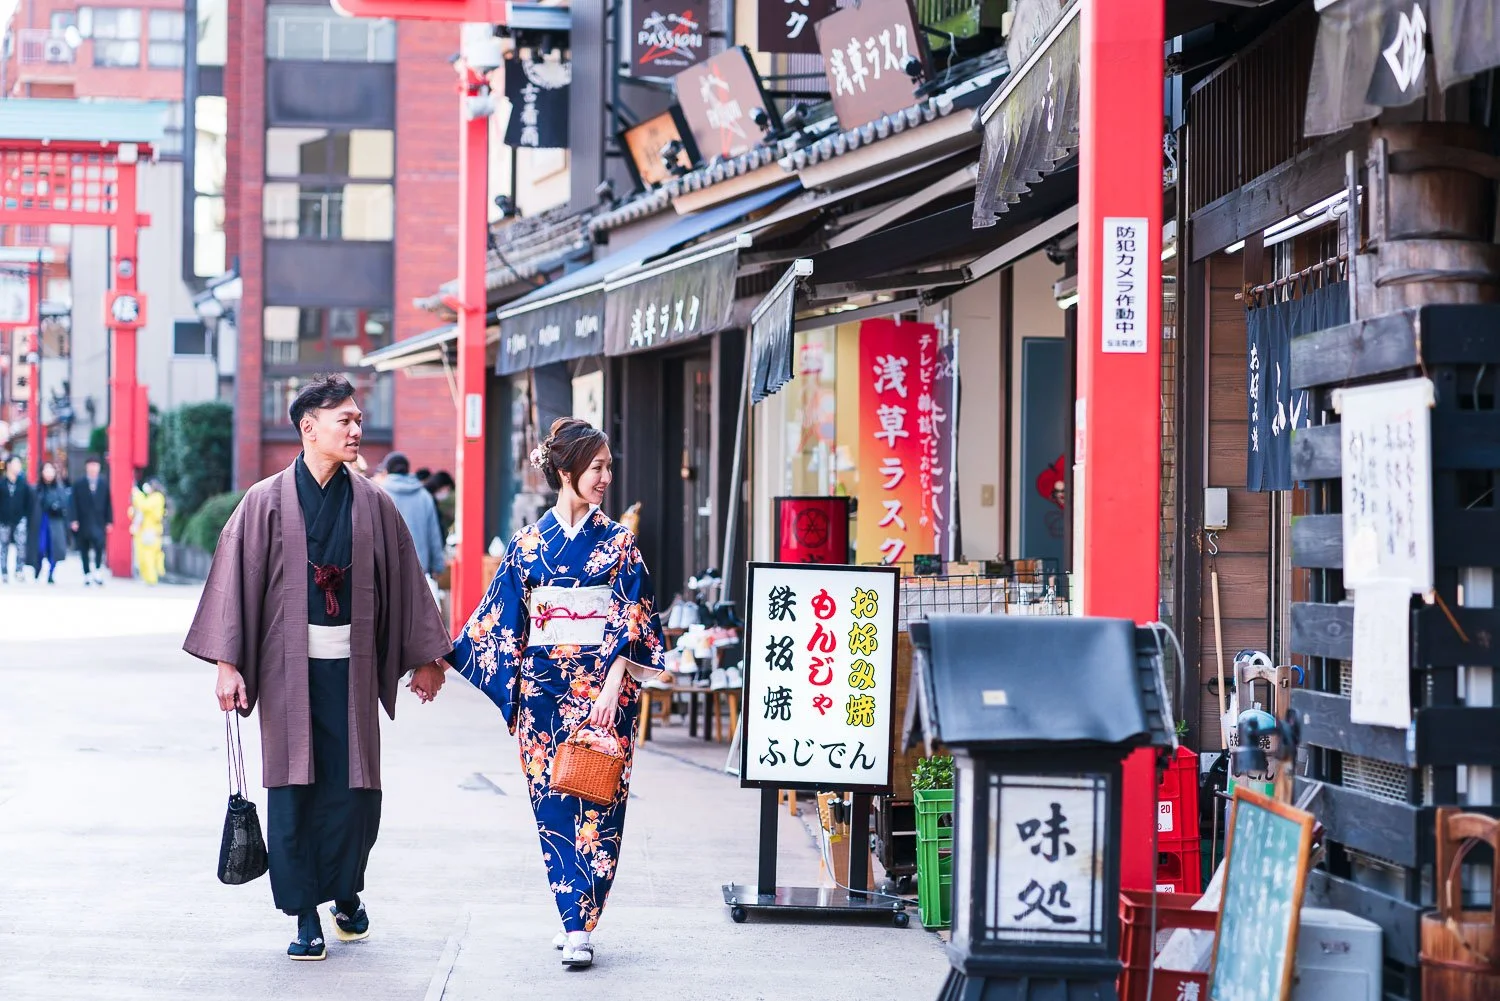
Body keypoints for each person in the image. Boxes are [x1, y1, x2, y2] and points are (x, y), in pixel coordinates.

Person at [182, 374, 452, 962]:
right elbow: (235, 583)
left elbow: (406, 581)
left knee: (356, 796)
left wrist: (427, 657)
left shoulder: (375, 502)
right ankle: (305, 913)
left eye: (358, 419)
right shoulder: (264, 501)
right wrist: (227, 664)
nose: (357, 430)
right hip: (287, 674)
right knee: (294, 792)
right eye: (344, 420)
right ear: (309, 427)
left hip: (352, 672)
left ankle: (346, 893)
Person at [441, 417, 666, 969]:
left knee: (601, 802)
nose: (606, 477)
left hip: (604, 694)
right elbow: (496, 623)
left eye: (609, 467)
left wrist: (612, 686)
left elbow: (632, 618)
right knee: (554, 806)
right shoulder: (527, 545)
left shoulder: (619, 544)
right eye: (597, 468)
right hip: (542, 696)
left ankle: (581, 922)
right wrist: (435, 656)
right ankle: (572, 921)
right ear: (567, 471)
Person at [376, 452, 445, 579]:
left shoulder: (379, 494)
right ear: (407, 470)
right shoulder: (424, 496)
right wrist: (437, 566)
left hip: (386, 570)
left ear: (386, 470)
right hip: (419, 570)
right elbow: (433, 534)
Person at [70, 456, 112, 586]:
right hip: (83, 520)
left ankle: (98, 570)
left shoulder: (103, 483)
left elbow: (108, 503)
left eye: (95, 465)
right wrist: (73, 519)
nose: (93, 468)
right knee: (84, 548)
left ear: (99, 467)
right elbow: (73, 502)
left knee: (99, 546)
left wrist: (109, 521)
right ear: (86, 467)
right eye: (91, 465)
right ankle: (87, 573)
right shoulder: (79, 483)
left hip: (99, 521)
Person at [26, 462, 70, 585]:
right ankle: (37, 568)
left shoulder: (59, 488)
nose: (49, 473)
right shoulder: (36, 489)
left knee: (53, 548)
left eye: (51, 470)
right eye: (46, 470)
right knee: (40, 547)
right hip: (40, 521)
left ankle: (51, 573)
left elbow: (65, 506)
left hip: (55, 521)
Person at [129, 479, 166, 586]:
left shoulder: (157, 497)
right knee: (146, 555)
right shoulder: (151, 497)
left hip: (151, 530)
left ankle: (152, 579)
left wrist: (137, 494)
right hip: (147, 530)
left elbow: (144, 506)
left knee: (148, 555)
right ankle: (149, 578)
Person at [0, 456, 31, 583]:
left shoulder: (23, 484)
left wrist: (26, 517)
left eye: (19, 464)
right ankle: (4, 572)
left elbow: (28, 502)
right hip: (3, 520)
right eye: (15, 463)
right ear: (8, 465)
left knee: (21, 545)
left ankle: (19, 570)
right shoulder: (2, 483)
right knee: (3, 546)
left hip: (20, 519)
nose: (18, 466)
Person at [425, 469, 455, 537]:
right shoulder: (429, 502)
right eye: (447, 489)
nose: (447, 493)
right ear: (440, 486)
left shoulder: (431, 501)